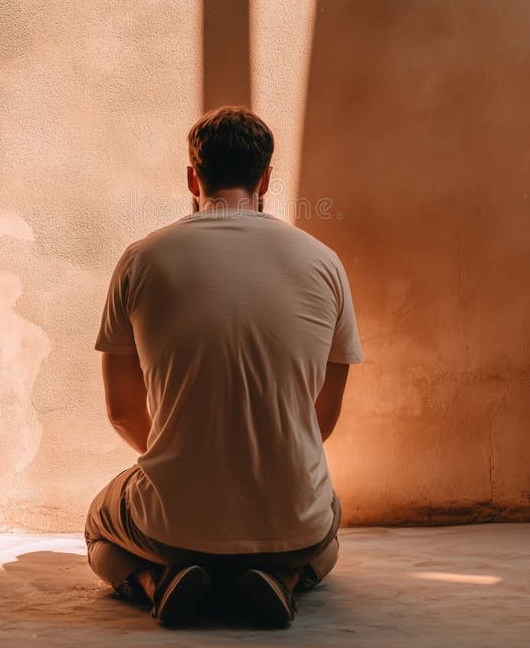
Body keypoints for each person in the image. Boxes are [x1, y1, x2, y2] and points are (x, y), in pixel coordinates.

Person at [85, 105, 364, 628]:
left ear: (193, 176)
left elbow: (122, 410)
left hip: (172, 526)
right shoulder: (324, 262)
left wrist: (190, 460)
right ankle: (281, 580)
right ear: (265, 179)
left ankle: (157, 582)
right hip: (289, 521)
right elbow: (322, 419)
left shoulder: (141, 259)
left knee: (99, 527)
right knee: (325, 529)